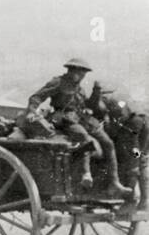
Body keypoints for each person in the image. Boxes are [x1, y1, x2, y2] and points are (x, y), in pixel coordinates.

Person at [28, 58, 130, 196]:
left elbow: (88, 106)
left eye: (84, 73)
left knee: (108, 143)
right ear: (71, 70)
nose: (82, 75)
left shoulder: (79, 88)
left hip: (81, 118)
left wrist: (96, 92)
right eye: (80, 72)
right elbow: (36, 97)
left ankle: (114, 182)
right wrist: (32, 112)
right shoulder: (58, 82)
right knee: (84, 137)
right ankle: (86, 174)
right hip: (63, 119)